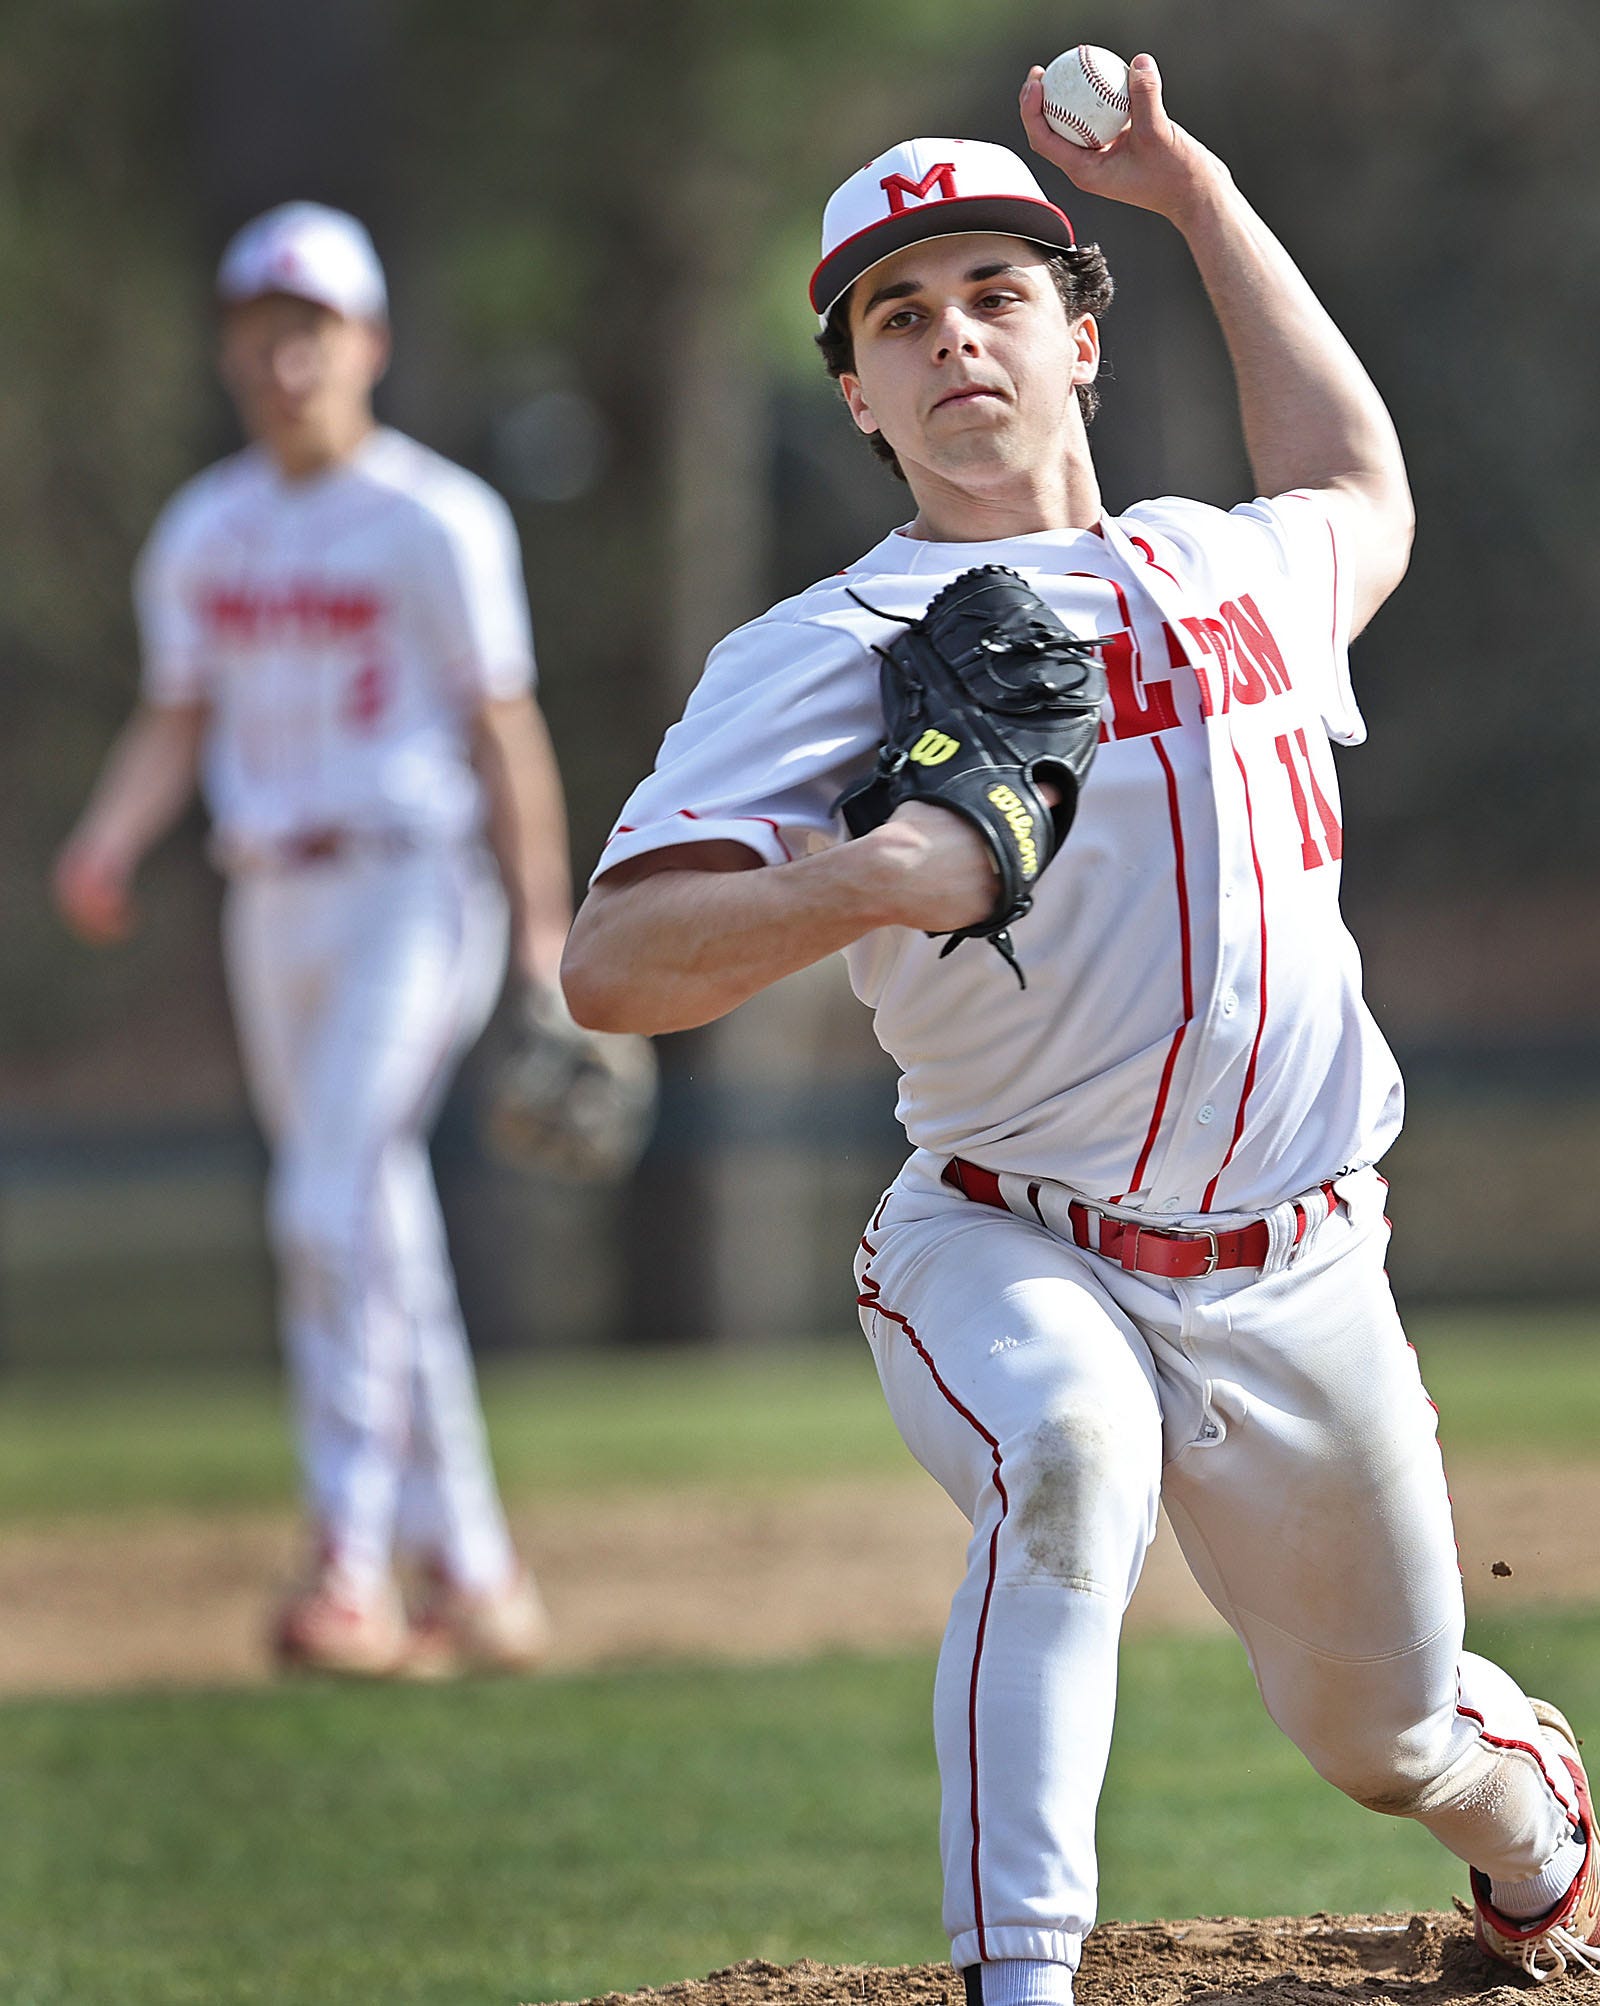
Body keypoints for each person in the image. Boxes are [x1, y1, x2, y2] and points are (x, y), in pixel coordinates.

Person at [561, 53, 1600, 2001]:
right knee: (1063, 1454)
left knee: (1385, 1739)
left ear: (1074, 334)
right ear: (855, 395)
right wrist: (871, 877)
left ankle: (1528, 1818)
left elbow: (1353, 486)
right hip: (1004, 1230)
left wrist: (1196, 200)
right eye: (895, 314)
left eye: (993, 292)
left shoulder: (1230, 566)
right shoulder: (832, 649)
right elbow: (613, 966)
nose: (951, 335)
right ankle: (1017, 1975)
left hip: (1302, 1268)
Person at [53, 201, 571, 1679]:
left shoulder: (436, 516)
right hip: (269, 892)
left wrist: (541, 934)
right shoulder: (206, 526)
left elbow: (501, 726)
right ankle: (472, 1566)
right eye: (262, 331)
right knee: (371, 1220)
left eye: (312, 328)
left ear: (369, 345)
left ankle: (349, 1562)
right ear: (233, 351)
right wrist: (108, 836)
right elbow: (179, 711)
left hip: (416, 885)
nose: (286, 357)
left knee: (320, 1204)